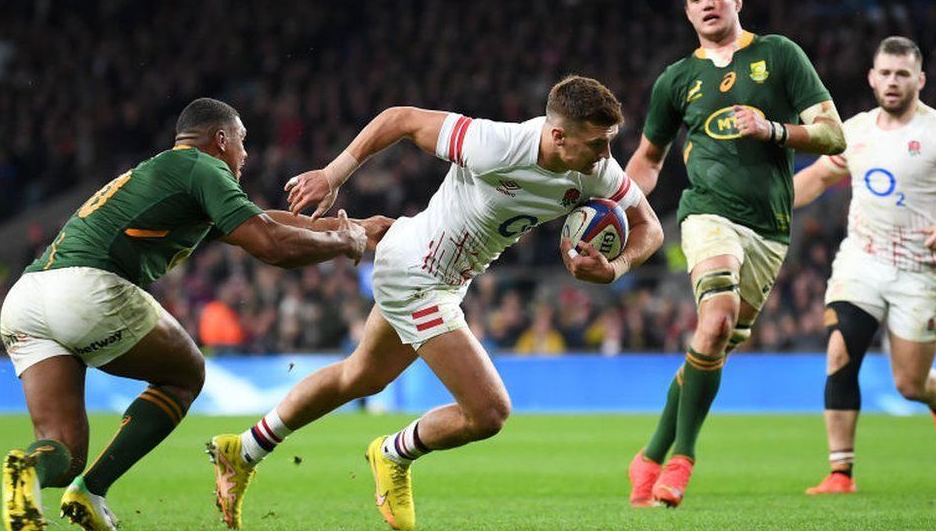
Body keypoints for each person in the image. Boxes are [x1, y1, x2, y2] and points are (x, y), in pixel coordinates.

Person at [208, 75, 664, 530]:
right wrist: (333, 173)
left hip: (436, 269)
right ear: (558, 136)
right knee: (489, 412)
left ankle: (243, 450)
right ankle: (393, 453)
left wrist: (614, 268)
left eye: (608, 144)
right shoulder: (497, 144)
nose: (606, 156)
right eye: (596, 145)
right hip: (417, 276)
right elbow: (401, 119)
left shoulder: (595, 170)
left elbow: (650, 228)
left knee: (359, 376)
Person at [0, 98, 388, 531]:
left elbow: (263, 222)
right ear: (220, 140)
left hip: (26, 299)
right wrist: (343, 245)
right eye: (242, 142)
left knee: (63, 450)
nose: (245, 154)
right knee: (185, 374)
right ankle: (91, 492)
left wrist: (346, 229)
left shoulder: (172, 174)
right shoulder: (204, 169)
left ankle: (27, 470)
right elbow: (272, 246)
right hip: (86, 288)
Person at [624, 0, 847, 508]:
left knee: (713, 342)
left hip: (769, 228)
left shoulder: (779, 54)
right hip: (705, 213)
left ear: (737, 0)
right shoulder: (675, 80)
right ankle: (682, 459)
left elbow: (834, 134)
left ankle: (648, 456)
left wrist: (773, 129)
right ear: (686, 10)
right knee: (715, 317)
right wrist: (619, 208)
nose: (707, 1)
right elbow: (649, 160)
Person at [794, 36, 936, 495]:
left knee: (908, 382)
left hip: (920, 270)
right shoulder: (857, 130)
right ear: (871, 77)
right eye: (885, 72)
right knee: (840, 352)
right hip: (861, 260)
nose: (892, 81)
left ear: (919, 80)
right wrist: (776, 205)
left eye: (902, 74)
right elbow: (821, 176)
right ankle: (840, 473)